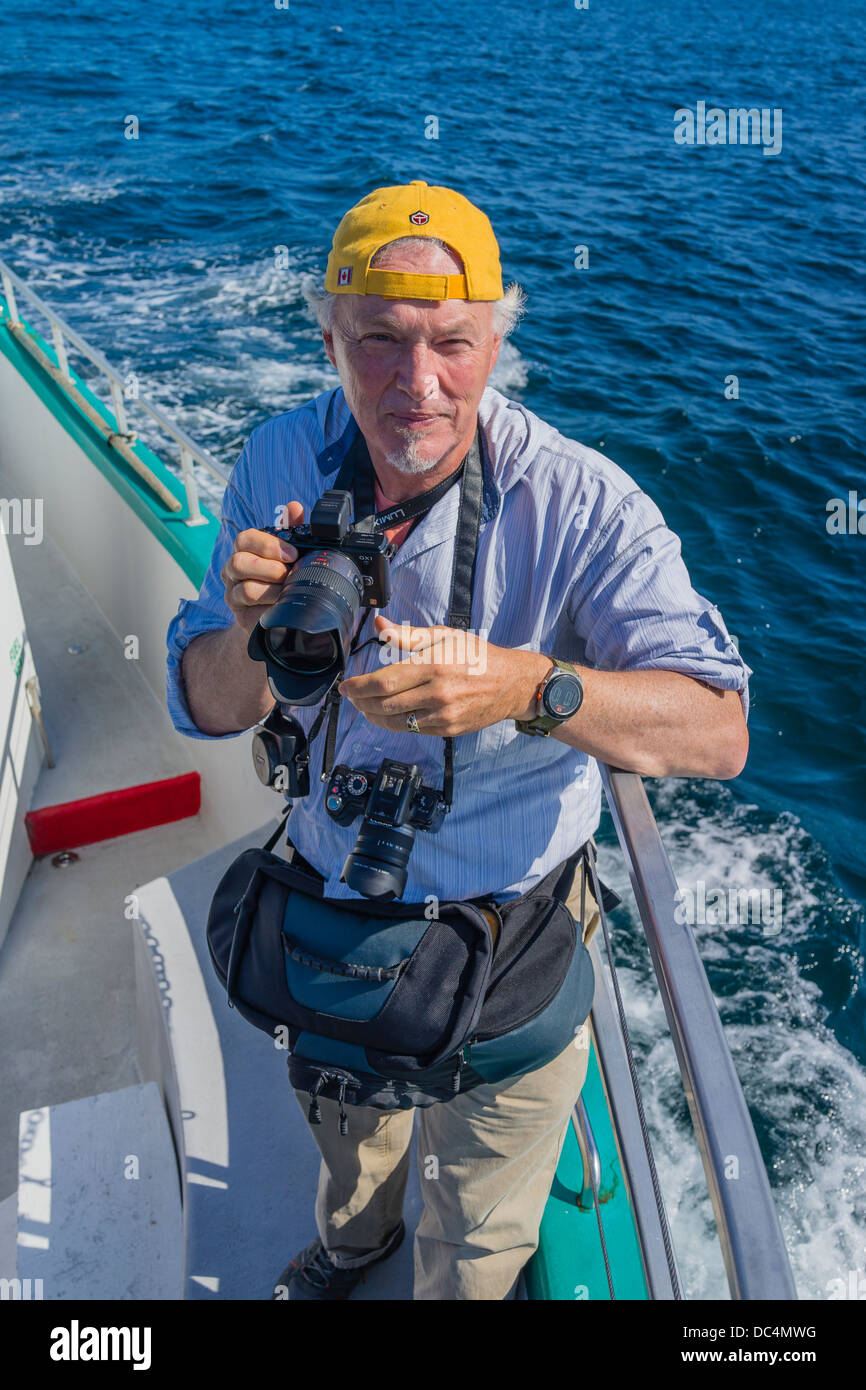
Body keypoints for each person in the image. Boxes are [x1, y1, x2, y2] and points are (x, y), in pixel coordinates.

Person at [165, 179, 750, 1301]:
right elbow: (204, 699)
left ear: (498, 340)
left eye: (451, 342)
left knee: (475, 1237)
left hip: (510, 933)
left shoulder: (584, 505)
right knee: (348, 1161)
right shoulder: (283, 461)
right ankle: (348, 1247)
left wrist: (532, 686)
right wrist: (250, 631)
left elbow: (716, 729)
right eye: (377, 340)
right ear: (327, 334)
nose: (415, 384)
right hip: (334, 910)